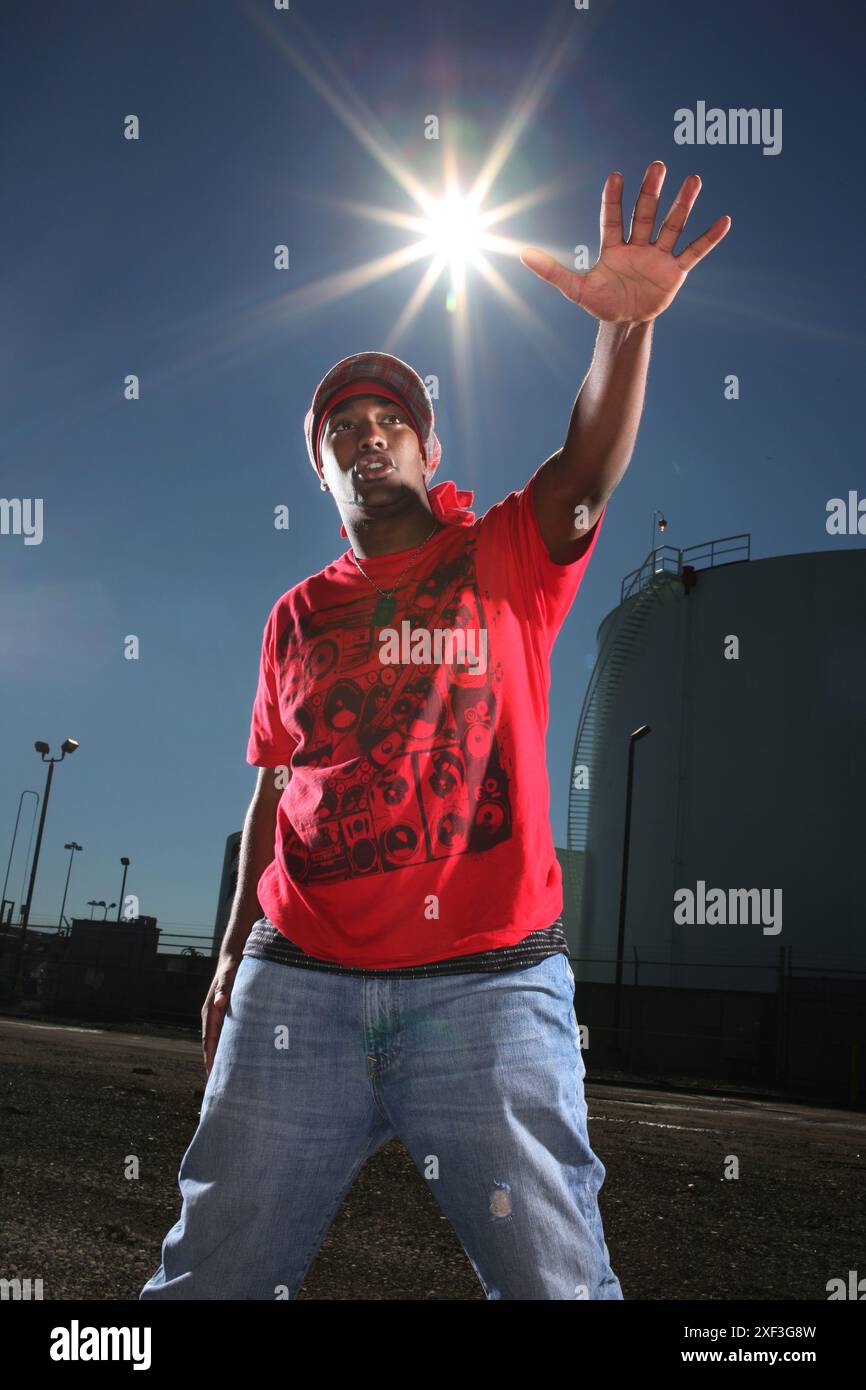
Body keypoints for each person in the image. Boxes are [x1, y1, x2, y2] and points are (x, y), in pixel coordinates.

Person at [140, 161, 729, 1300]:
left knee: (558, 1286)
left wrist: (624, 332)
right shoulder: (295, 615)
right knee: (209, 1278)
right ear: (321, 470)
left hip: (487, 990)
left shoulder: (502, 555)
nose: (368, 437)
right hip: (298, 984)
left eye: (390, 422)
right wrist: (229, 955)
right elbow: (272, 790)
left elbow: (587, 468)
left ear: (427, 452)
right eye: (343, 430)